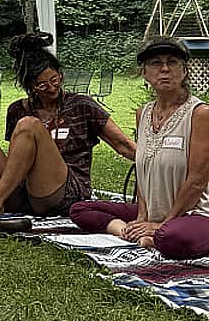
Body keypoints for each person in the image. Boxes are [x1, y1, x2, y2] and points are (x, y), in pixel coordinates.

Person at [0, 32, 135, 223]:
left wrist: (157, 161)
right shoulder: (17, 109)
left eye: (54, 80)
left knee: (29, 125)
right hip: (22, 192)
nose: (51, 88)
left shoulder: (82, 105)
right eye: (42, 85)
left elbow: (122, 144)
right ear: (31, 86)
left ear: (60, 75)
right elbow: (18, 159)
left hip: (65, 192)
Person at [70, 37, 209, 259]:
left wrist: (162, 224)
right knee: (80, 210)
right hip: (155, 211)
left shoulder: (200, 114)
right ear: (144, 72)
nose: (164, 69)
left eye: (172, 62)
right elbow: (143, 170)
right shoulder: (143, 114)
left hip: (195, 213)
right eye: (155, 63)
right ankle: (132, 233)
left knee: (169, 236)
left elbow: (197, 181)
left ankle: (156, 235)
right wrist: (143, 217)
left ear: (184, 71)